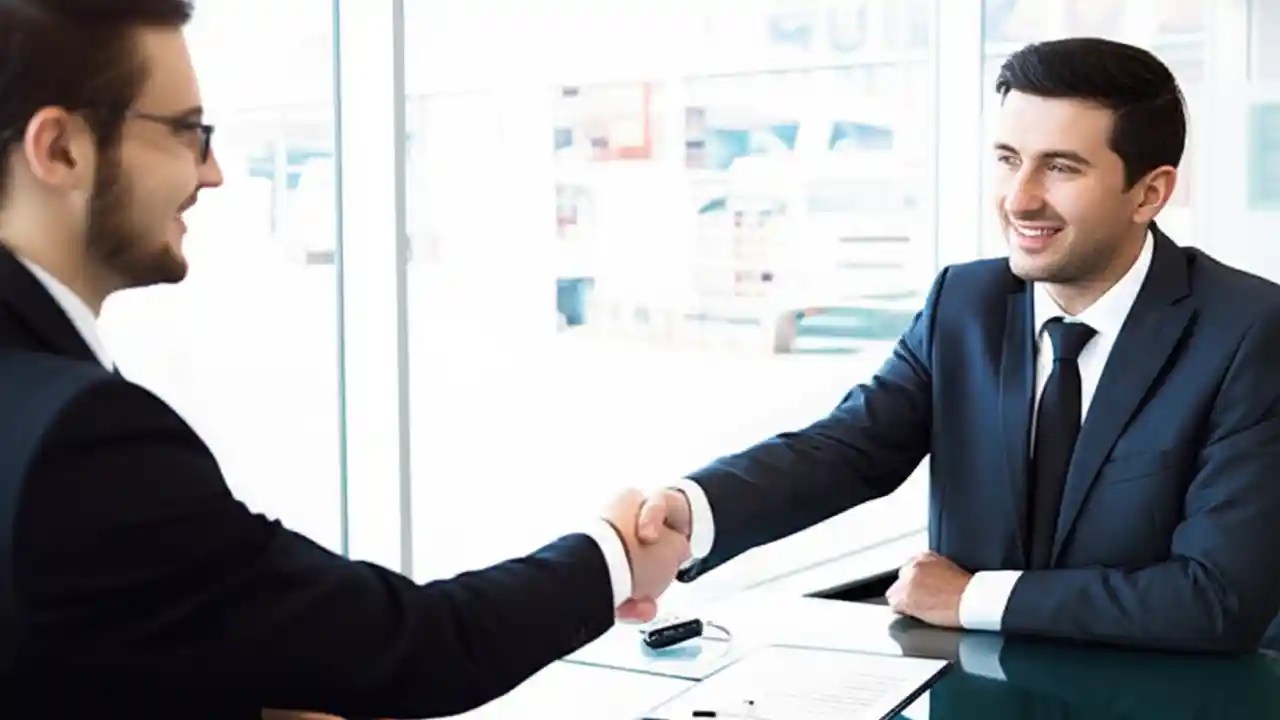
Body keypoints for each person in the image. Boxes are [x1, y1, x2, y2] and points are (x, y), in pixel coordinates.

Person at [0, 2, 688, 718]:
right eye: (187, 132)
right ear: (61, 149)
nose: (213, 172)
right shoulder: (83, 438)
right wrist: (613, 558)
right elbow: (412, 647)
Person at [635, 37, 1280, 654]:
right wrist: (689, 512)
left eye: (1060, 167)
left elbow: (1217, 598)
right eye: (1008, 159)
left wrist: (973, 597)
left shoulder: (1248, 331)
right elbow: (849, 447)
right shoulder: (964, 302)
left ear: (1150, 193)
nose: (1020, 199)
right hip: (973, 692)